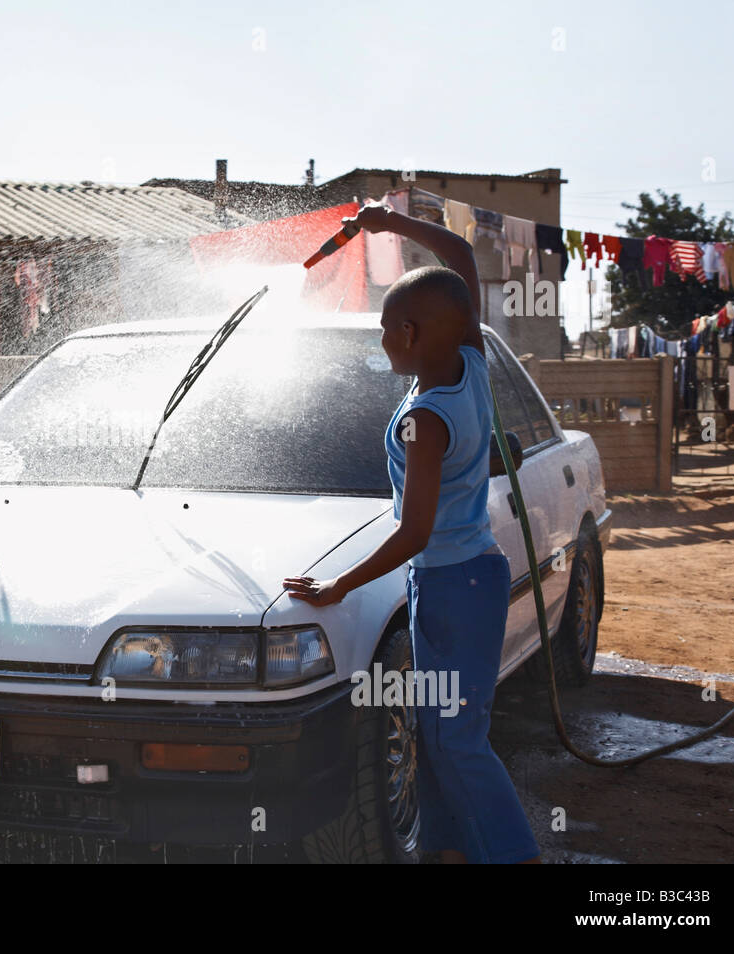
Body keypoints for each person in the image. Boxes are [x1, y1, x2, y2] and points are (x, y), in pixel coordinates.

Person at [282, 204, 541, 864]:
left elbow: (415, 531)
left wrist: (338, 585)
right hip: (464, 582)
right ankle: (448, 852)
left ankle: (516, 855)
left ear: (410, 331)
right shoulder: (469, 362)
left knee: (458, 740)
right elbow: (461, 258)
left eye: (384, 332)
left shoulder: (425, 418)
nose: (380, 343)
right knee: (438, 730)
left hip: (452, 586)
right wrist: (390, 225)